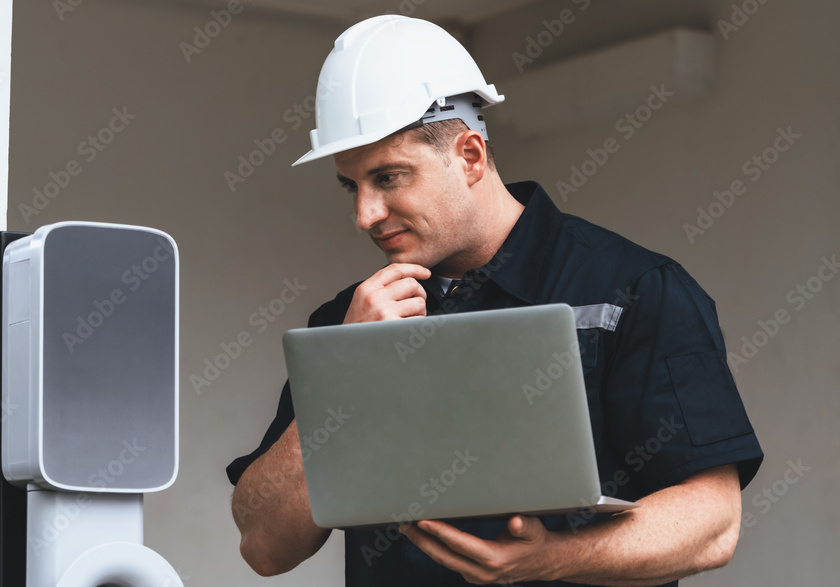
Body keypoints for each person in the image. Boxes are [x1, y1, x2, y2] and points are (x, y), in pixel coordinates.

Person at [226, 15, 763, 586]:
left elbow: (713, 523)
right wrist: (347, 370)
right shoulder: (351, 320)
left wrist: (551, 557)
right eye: (351, 186)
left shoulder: (632, 291)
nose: (364, 215)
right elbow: (264, 546)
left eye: (387, 179)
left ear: (471, 156)